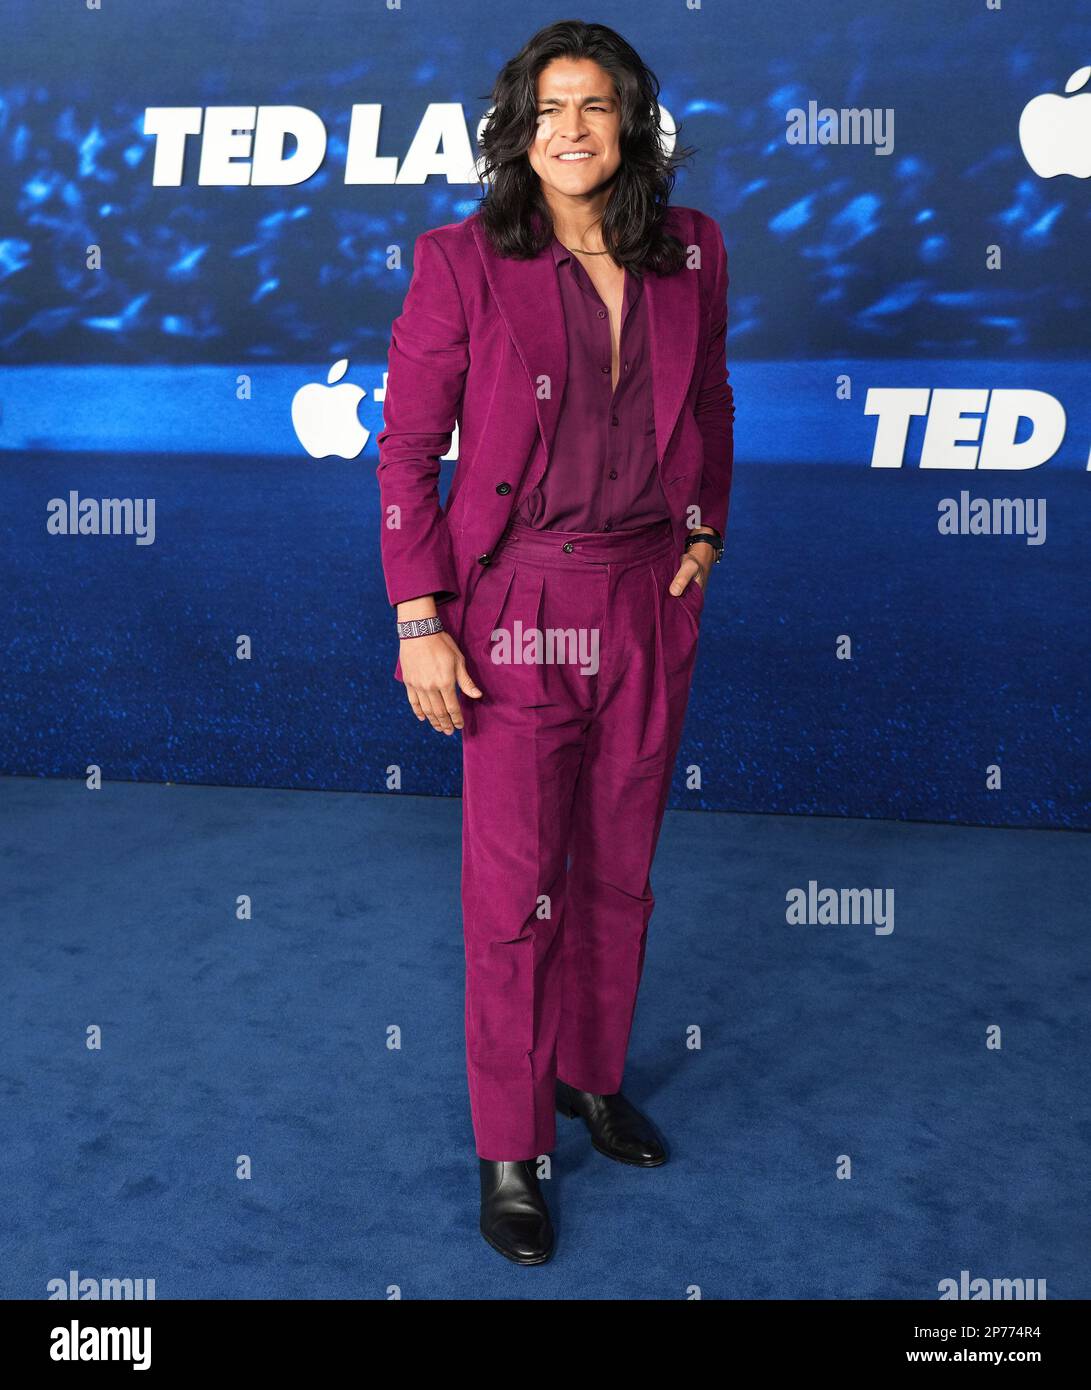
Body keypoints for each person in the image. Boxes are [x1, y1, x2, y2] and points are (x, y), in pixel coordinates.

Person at [376, 19, 734, 1265]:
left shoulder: (692, 249)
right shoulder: (462, 260)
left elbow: (709, 398)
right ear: (515, 130)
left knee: (620, 868)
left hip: (646, 599)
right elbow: (407, 456)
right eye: (546, 109)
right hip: (516, 610)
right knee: (513, 894)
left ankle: (590, 1075)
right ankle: (512, 1146)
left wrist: (704, 532)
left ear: (629, 119)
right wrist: (421, 616)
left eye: (591, 106)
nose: (569, 130)